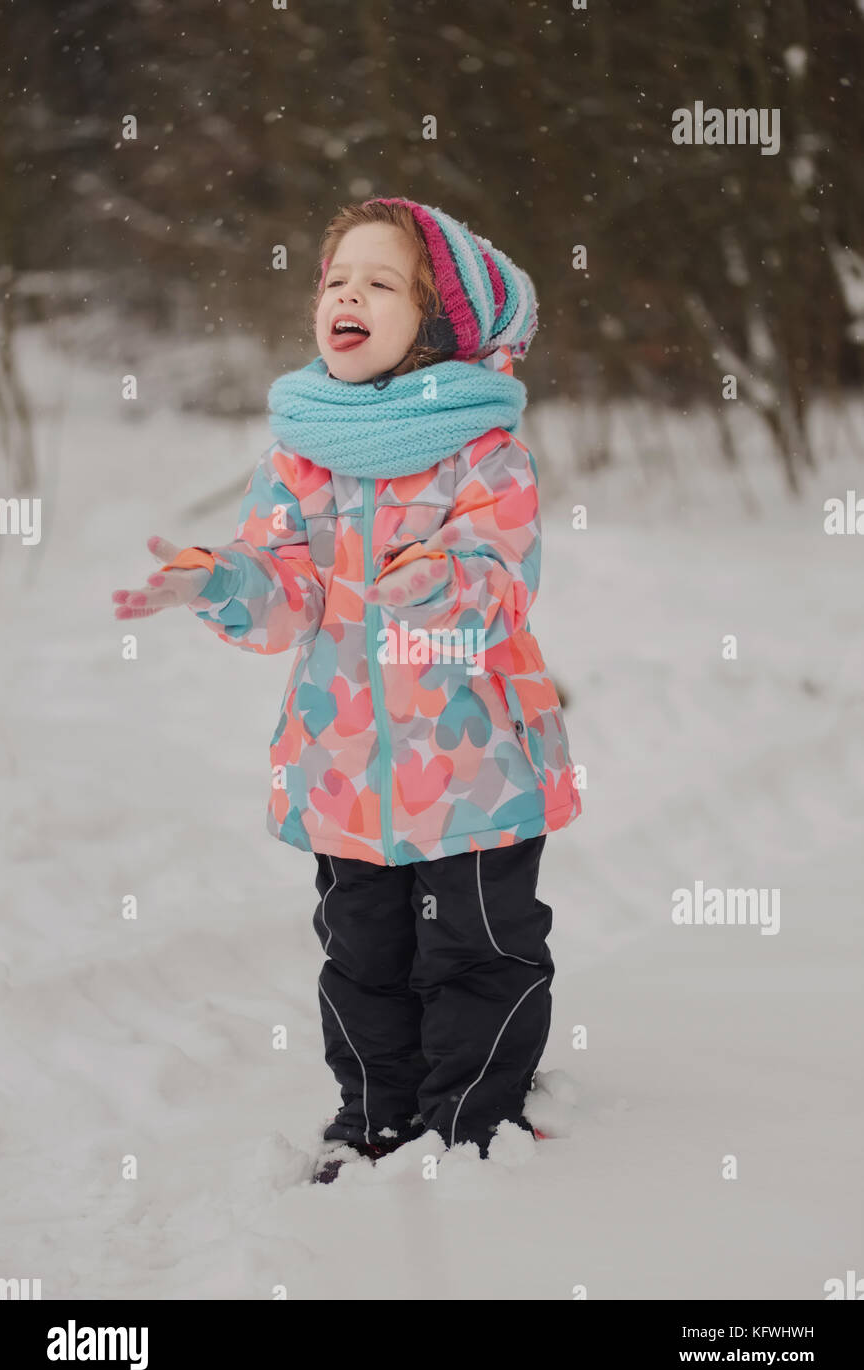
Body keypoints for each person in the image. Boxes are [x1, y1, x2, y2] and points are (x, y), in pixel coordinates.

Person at [112, 197, 582, 1165]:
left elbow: (502, 577)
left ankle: (472, 1120)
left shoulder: (485, 452)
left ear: (439, 325)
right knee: (363, 955)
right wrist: (218, 578)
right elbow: (282, 592)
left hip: (473, 767)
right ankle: (376, 1108)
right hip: (344, 768)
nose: (347, 294)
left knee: (476, 950)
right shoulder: (297, 457)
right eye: (335, 279)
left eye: (380, 281)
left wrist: (436, 578)